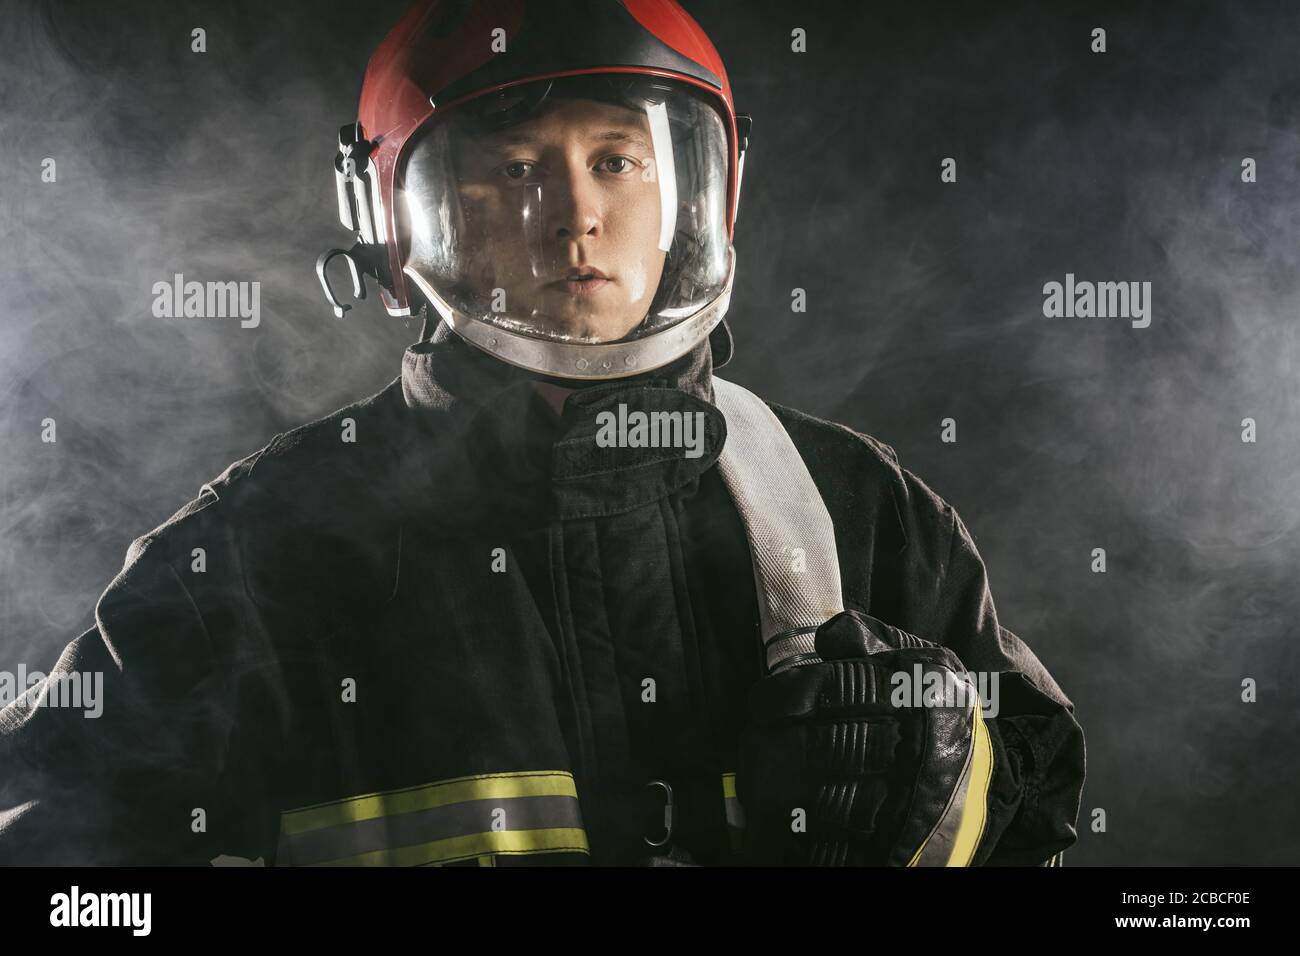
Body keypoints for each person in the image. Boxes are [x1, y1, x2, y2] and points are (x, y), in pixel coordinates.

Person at [0, 0, 1085, 867]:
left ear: (697, 190)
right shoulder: (252, 556)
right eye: (517, 167)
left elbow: (1038, 818)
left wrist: (961, 775)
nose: (576, 214)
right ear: (391, 216)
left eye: (618, 159)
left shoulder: (857, 508)